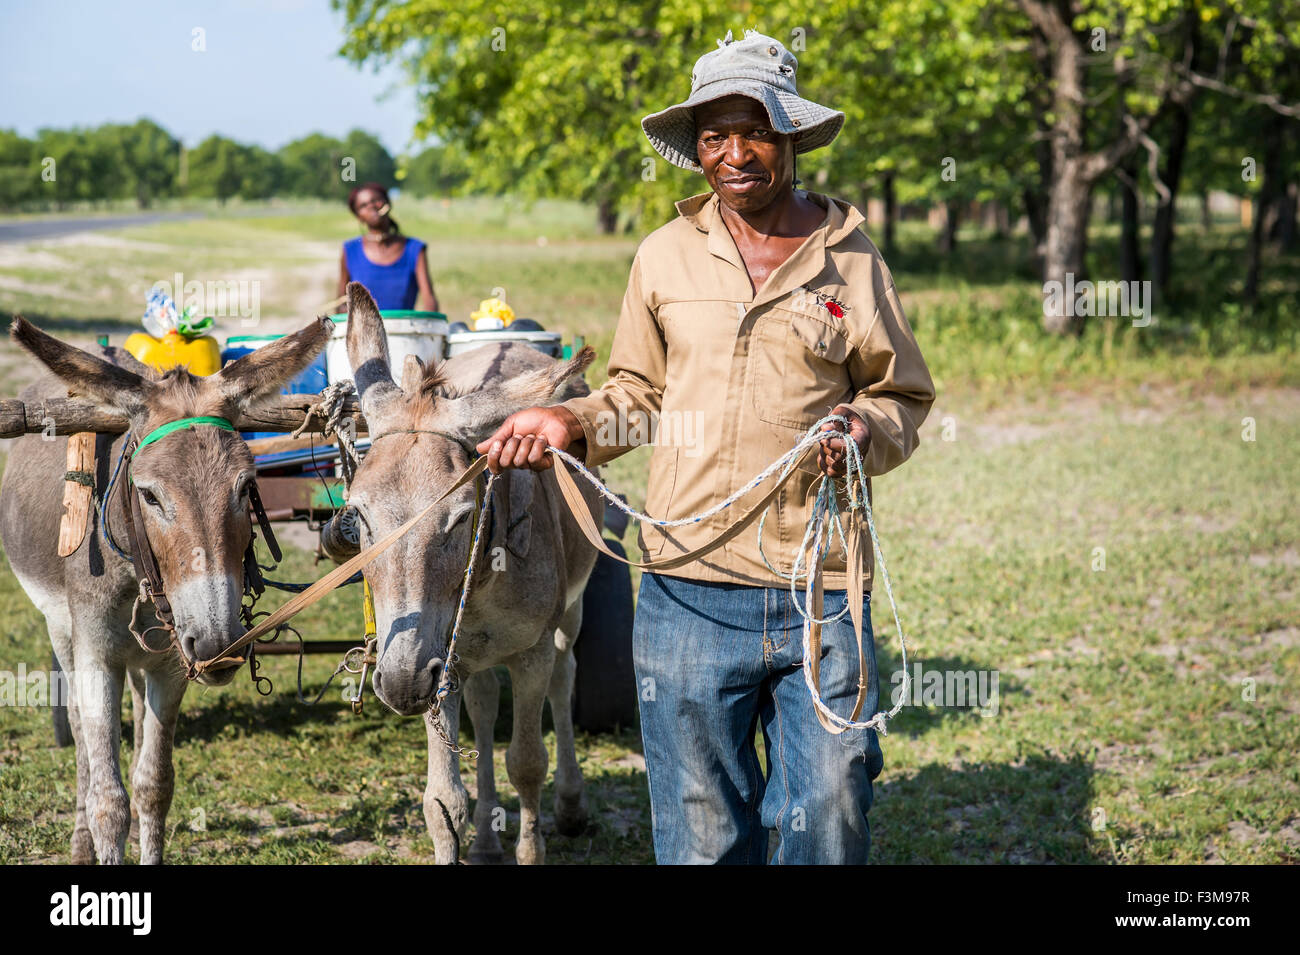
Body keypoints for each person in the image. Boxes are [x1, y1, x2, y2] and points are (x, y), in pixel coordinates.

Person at [478, 29, 936, 864]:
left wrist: (862, 428)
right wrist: (571, 424)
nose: (734, 154)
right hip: (686, 586)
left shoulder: (853, 262)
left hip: (818, 585)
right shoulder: (662, 257)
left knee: (831, 802)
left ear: (789, 135)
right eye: (713, 136)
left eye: (752, 130)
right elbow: (638, 397)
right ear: (695, 149)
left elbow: (901, 391)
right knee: (700, 829)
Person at [337, 182, 439, 311]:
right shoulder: (350, 250)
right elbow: (341, 303)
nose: (372, 206)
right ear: (358, 217)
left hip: (403, 328)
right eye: (363, 205)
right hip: (363, 330)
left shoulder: (414, 248)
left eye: (376, 200)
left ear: (388, 203)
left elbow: (429, 298)